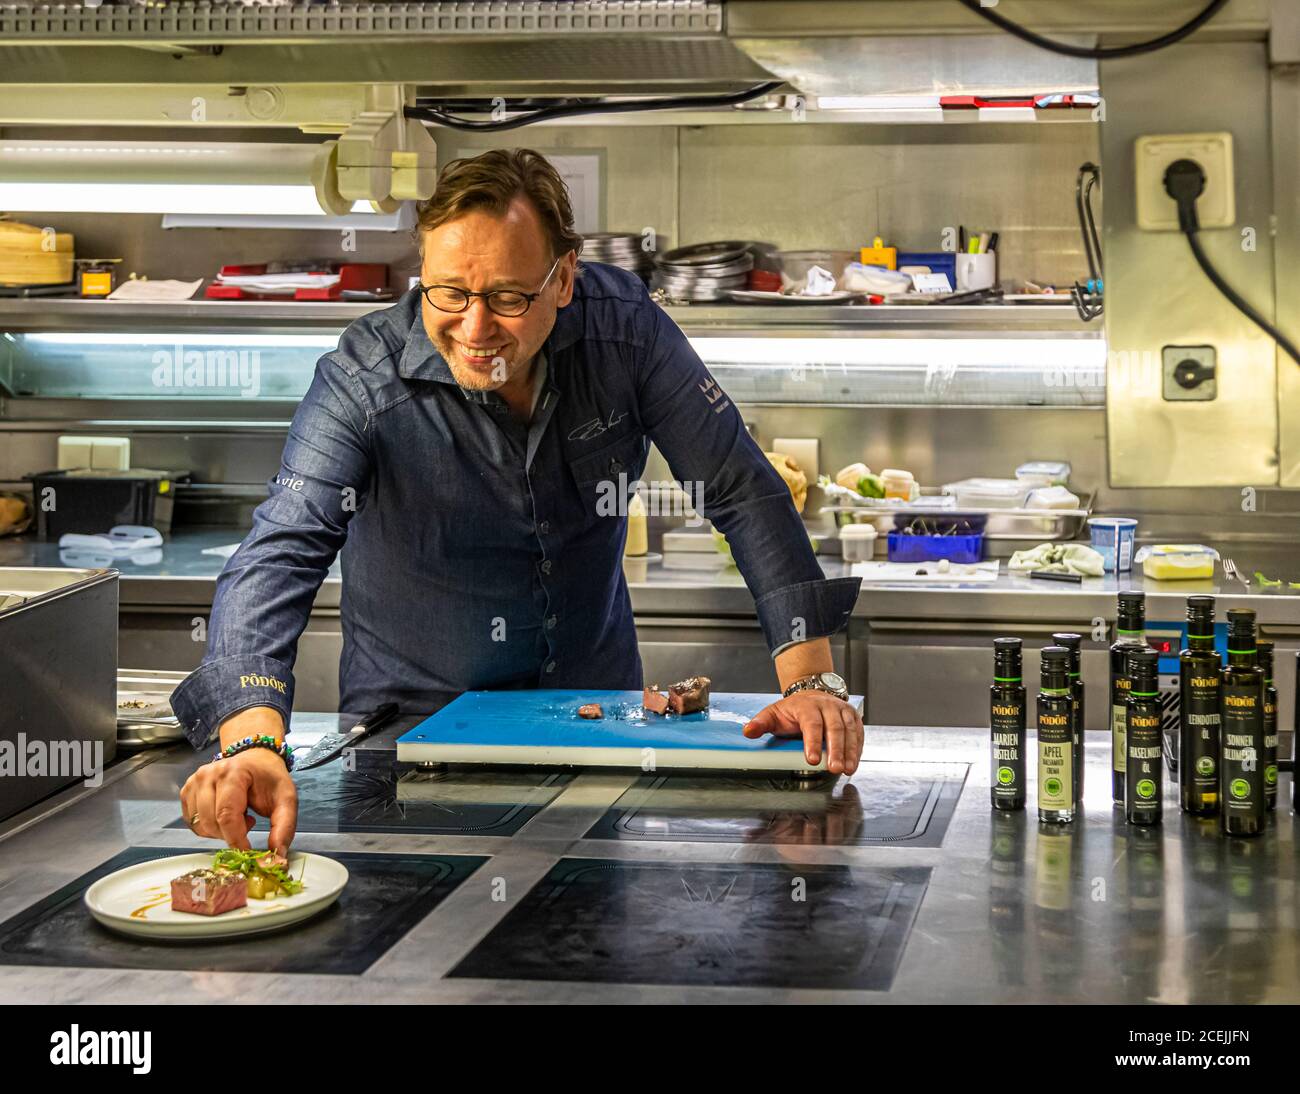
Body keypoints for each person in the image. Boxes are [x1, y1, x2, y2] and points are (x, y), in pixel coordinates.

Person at [172, 148, 863, 852]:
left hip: (604, 735)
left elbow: (738, 486)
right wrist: (251, 740)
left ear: (563, 277)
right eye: (448, 293)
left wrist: (813, 683)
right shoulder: (363, 380)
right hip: (410, 751)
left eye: (507, 297)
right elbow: (281, 550)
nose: (475, 330)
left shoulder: (622, 332)